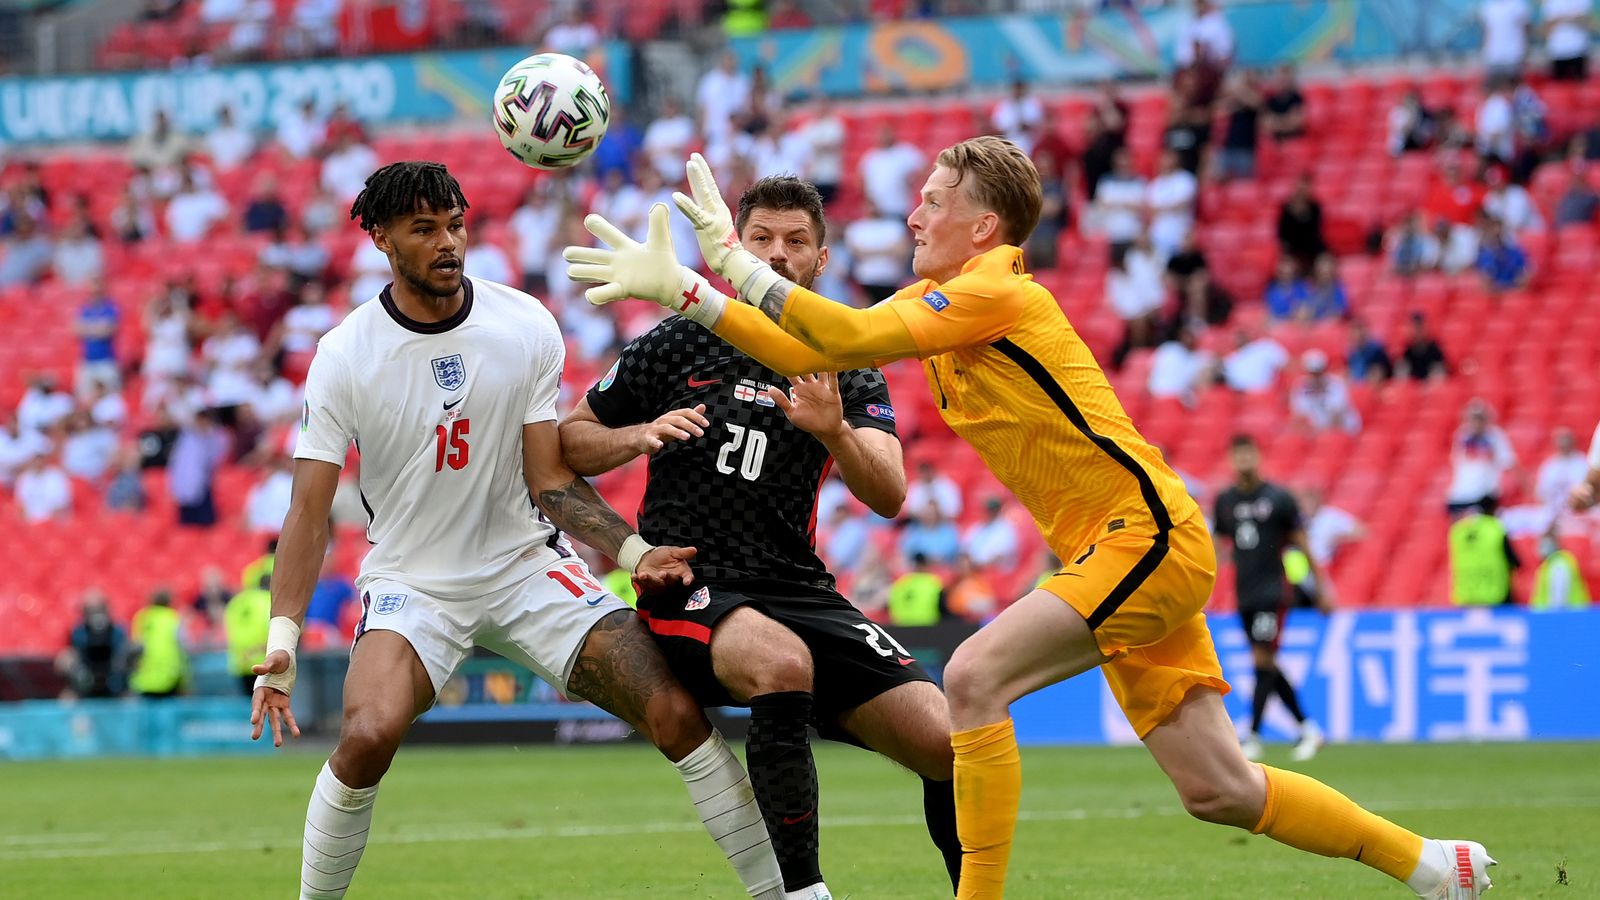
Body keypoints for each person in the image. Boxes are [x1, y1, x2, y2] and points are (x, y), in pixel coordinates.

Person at [564, 140, 1495, 898]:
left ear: (982, 226)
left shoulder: (997, 291)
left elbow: (841, 338)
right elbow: (805, 344)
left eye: (932, 201)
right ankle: (1430, 865)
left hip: (1144, 537)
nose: (913, 215)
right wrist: (688, 294)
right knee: (1221, 789)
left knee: (973, 677)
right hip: (1117, 550)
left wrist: (724, 267)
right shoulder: (949, 305)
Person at [248, 161, 784, 900]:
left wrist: (632, 552)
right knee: (367, 735)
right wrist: (282, 641)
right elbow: (308, 512)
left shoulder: (524, 323)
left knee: (673, 711)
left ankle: (785, 896)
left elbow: (550, 479)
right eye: (424, 229)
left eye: (456, 225)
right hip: (413, 581)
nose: (447, 243)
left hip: (527, 566)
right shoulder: (345, 354)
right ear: (381, 239)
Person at [559, 176, 958, 900]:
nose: (777, 255)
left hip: (799, 588)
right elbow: (571, 440)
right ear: (734, 248)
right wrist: (637, 434)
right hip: (691, 581)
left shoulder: (843, 355)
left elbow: (890, 494)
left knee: (952, 748)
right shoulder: (681, 338)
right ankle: (802, 893)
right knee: (779, 662)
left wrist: (835, 431)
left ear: (822, 259)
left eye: (796, 241)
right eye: (761, 239)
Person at [1213, 435, 1329, 763]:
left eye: (1248, 453)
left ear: (1258, 456)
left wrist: (1321, 587)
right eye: (1238, 455)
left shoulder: (1279, 498)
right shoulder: (1225, 501)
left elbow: (1302, 543)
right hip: (1245, 593)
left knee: (1262, 659)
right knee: (1266, 662)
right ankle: (1308, 728)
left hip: (1272, 591)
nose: (1244, 460)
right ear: (1231, 459)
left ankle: (1252, 735)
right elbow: (1219, 548)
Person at [129, 590, 185, 698]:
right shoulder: (173, 617)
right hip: (169, 676)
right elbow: (183, 645)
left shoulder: (142, 617)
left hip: (145, 676)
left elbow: (136, 645)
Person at [225, 571, 273, 695]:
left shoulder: (235, 602)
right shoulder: (269, 600)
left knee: (251, 701)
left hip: (242, 663)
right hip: (266, 662)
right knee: (268, 702)